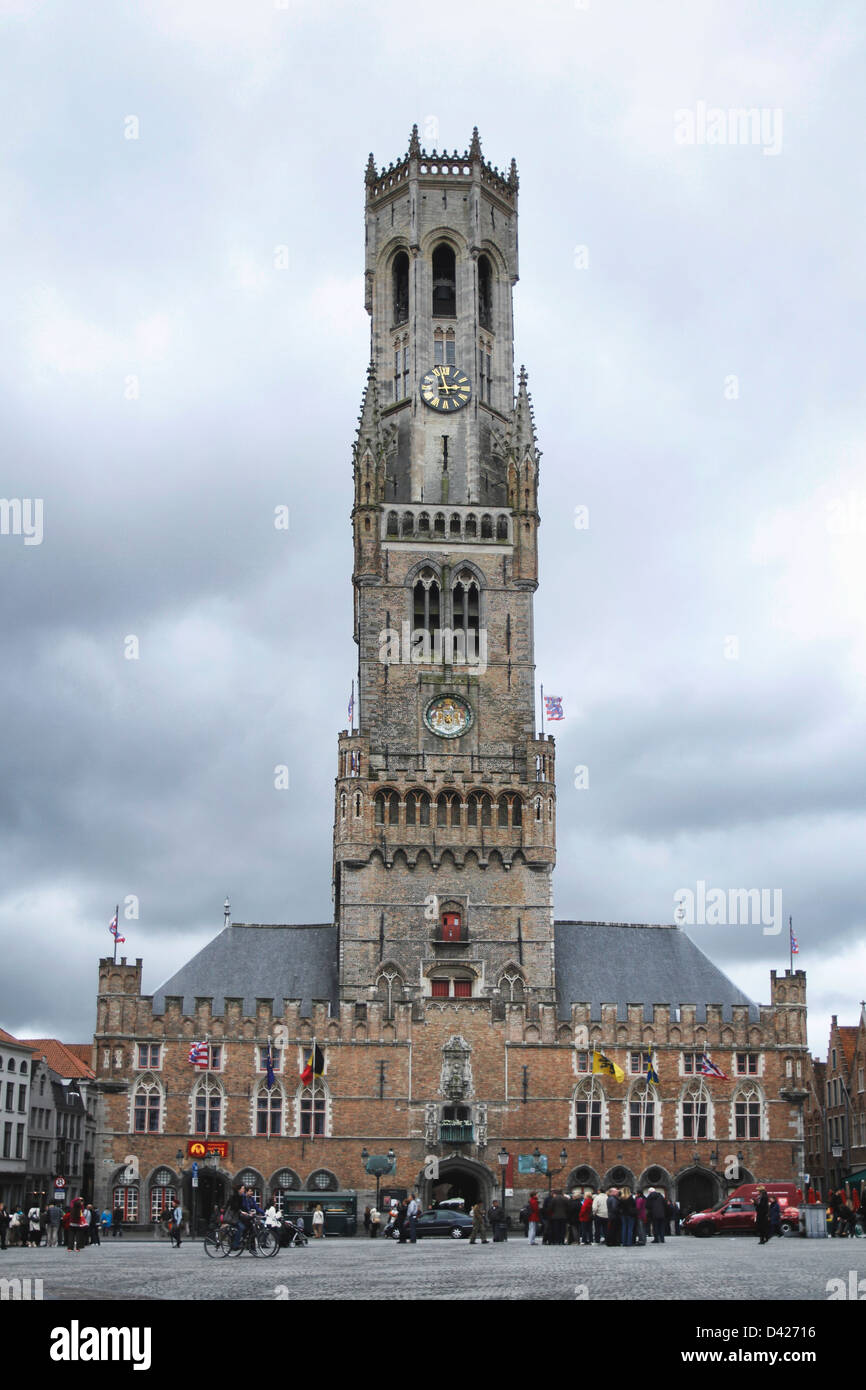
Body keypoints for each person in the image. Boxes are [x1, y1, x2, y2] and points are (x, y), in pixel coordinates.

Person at [231, 1186, 264, 1251]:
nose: (252, 1192)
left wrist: (263, 1213)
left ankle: (251, 1247)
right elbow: (238, 1207)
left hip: (245, 1216)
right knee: (243, 1228)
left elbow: (256, 1207)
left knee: (252, 1229)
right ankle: (236, 1244)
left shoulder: (251, 1198)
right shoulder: (242, 1197)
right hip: (238, 1216)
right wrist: (244, 1212)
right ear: (246, 1192)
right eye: (250, 1191)